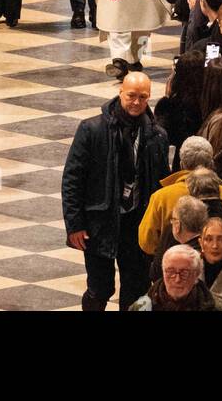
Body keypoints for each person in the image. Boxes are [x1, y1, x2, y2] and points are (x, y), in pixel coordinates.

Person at [61, 71, 168, 311]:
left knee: (137, 287)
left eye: (143, 97)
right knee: (99, 288)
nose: (137, 102)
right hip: (100, 221)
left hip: (138, 222)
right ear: (120, 93)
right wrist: (74, 225)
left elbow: (162, 183)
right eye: (131, 96)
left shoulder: (156, 134)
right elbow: (72, 179)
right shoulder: (92, 129)